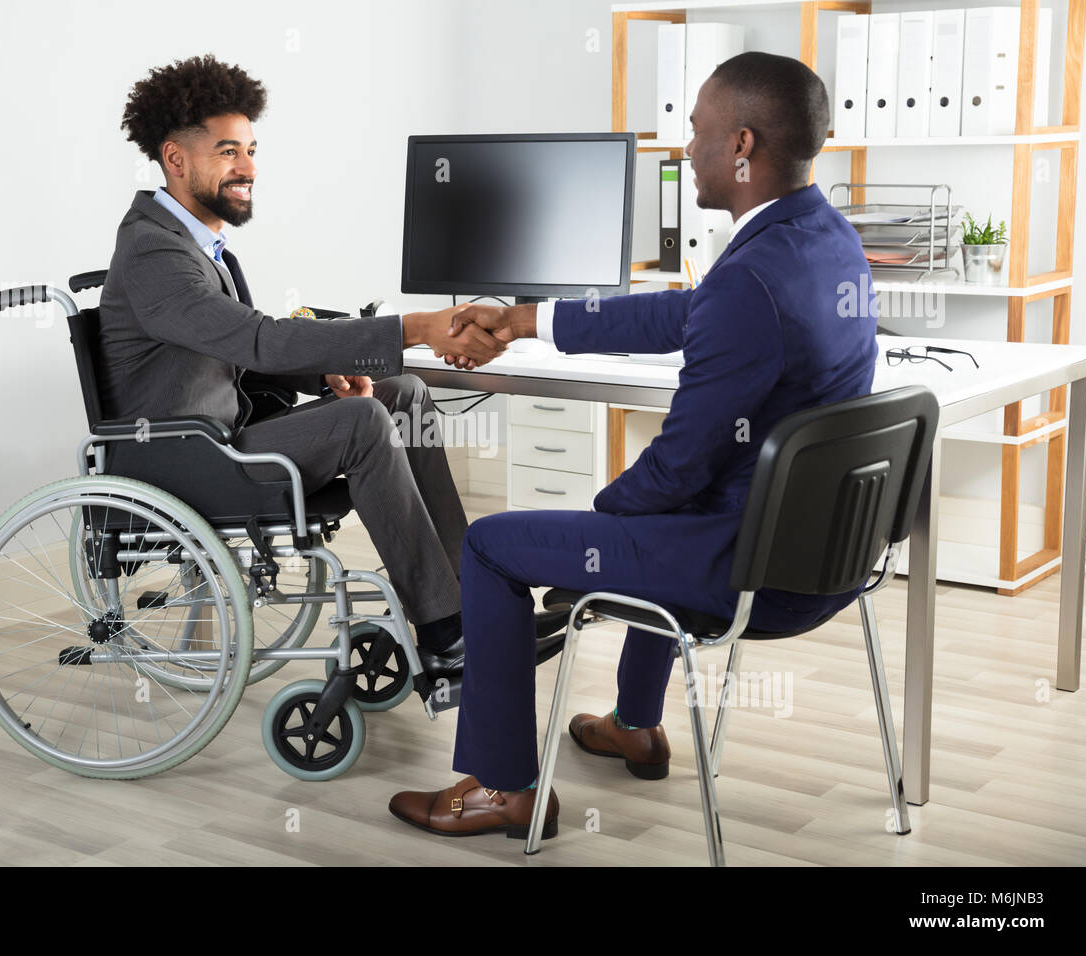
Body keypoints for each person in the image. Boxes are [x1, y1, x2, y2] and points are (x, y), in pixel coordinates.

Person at [389, 51, 880, 839]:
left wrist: (596, 532)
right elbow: (688, 314)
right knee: (661, 502)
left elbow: (677, 467)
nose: (686, 148)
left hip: (749, 567)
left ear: (742, 145)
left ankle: (504, 789)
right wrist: (526, 320)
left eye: (698, 131)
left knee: (490, 546)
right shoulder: (825, 240)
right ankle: (634, 724)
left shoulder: (752, 280)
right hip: (824, 558)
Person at [97, 55, 549, 678]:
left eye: (251, 149)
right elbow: (258, 341)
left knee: (402, 394)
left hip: (217, 440)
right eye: (229, 152)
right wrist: (417, 327)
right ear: (176, 159)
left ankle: (464, 595)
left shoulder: (197, 245)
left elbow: (233, 356)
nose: (249, 168)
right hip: (185, 460)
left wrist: (323, 374)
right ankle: (447, 634)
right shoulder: (154, 251)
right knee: (364, 423)